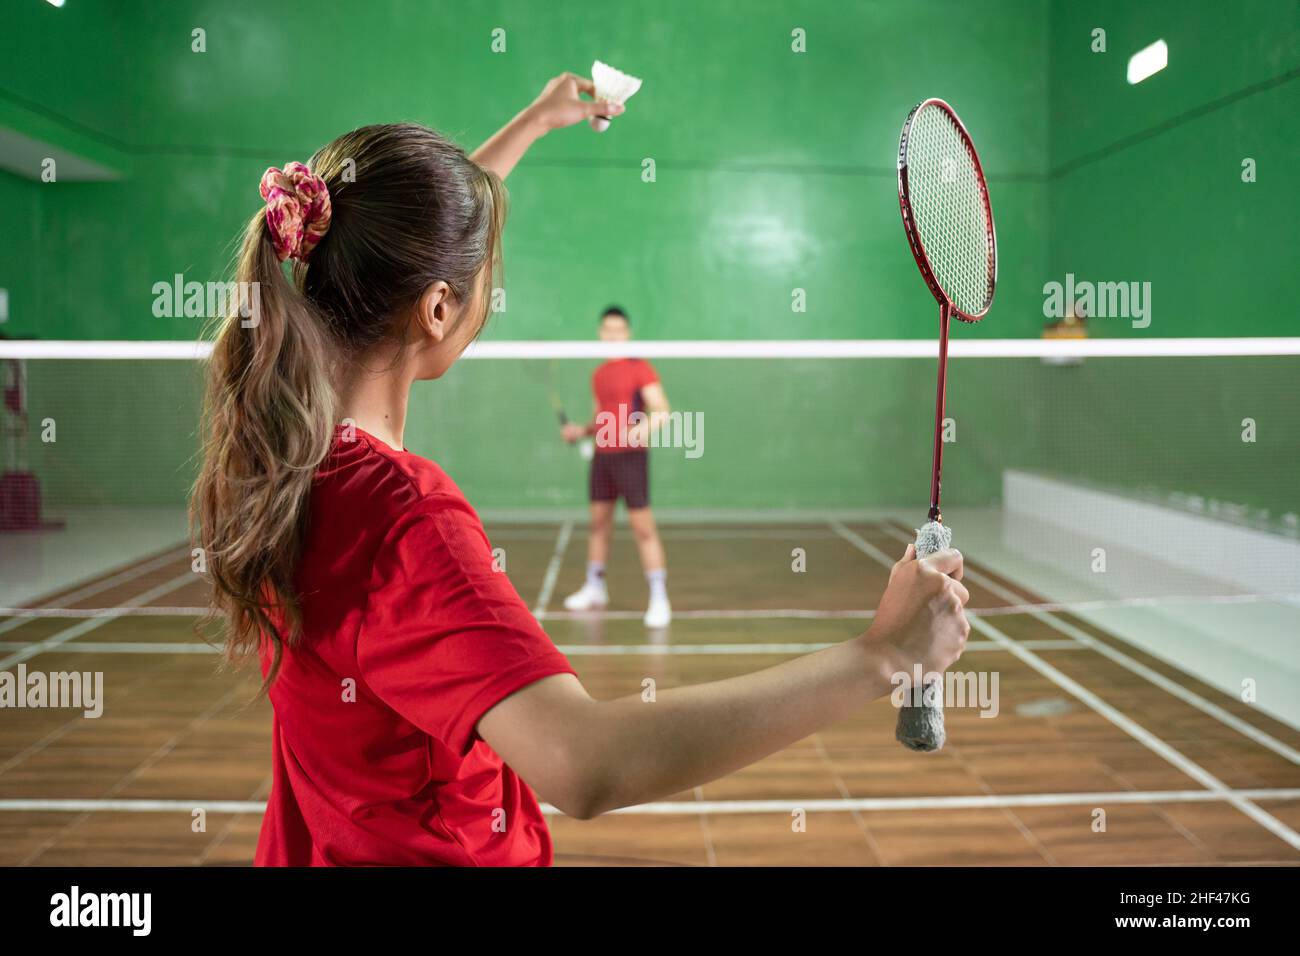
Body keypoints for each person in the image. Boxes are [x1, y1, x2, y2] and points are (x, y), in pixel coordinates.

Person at [192, 72, 970, 867]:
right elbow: (585, 763)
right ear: (439, 308)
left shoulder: (278, 458)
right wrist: (881, 655)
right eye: (484, 274)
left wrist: (535, 120)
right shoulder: (403, 516)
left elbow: (418, 237)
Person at [561, 306, 672, 626]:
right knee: (598, 525)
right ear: (601, 333)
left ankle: (659, 597)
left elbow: (662, 410)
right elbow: (600, 417)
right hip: (603, 457)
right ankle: (595, 587)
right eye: (607, 330)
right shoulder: (598, 374)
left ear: (627, 334)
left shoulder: (640, 368)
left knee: (643, 528)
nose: (613, 335)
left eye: (618, 330)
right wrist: (581, 431)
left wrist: (640, 430)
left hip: (630, 457)